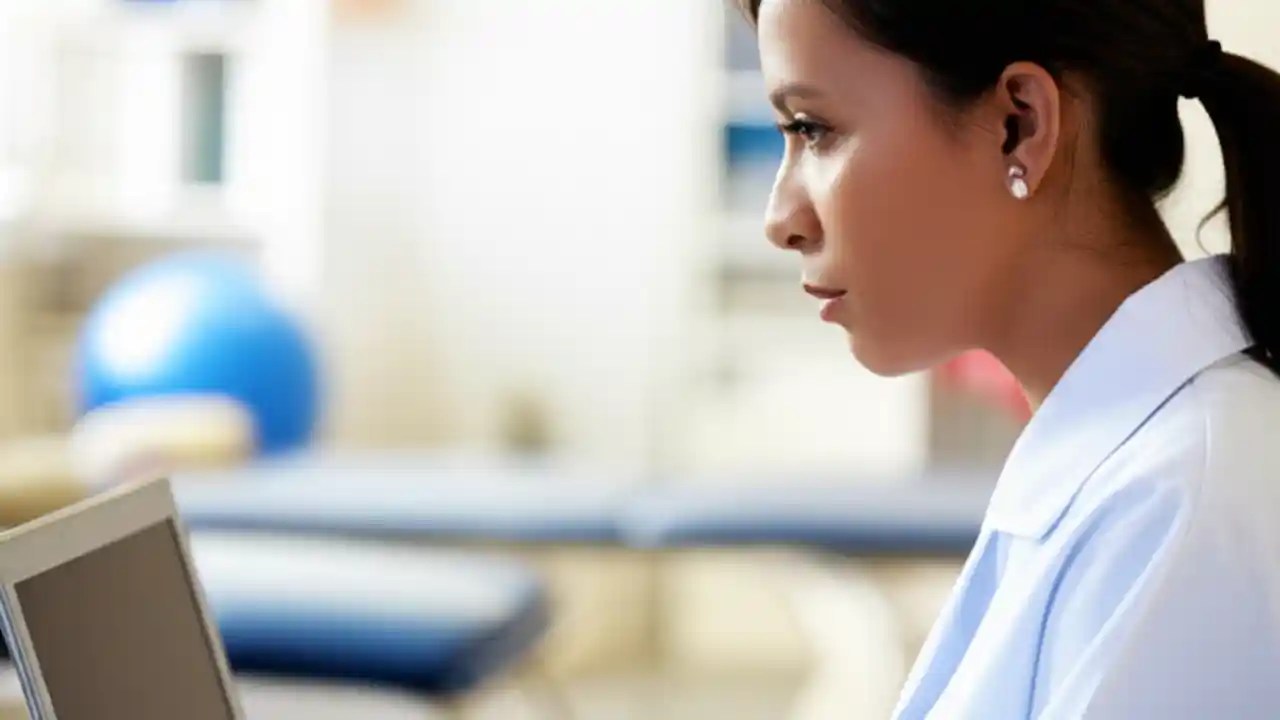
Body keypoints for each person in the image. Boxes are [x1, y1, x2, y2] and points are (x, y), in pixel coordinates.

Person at [739, 1, 1280, 717]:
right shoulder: (1140, 471)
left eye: (815, 130)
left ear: (1019, 125)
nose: (781, 219)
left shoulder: (1182, 508)